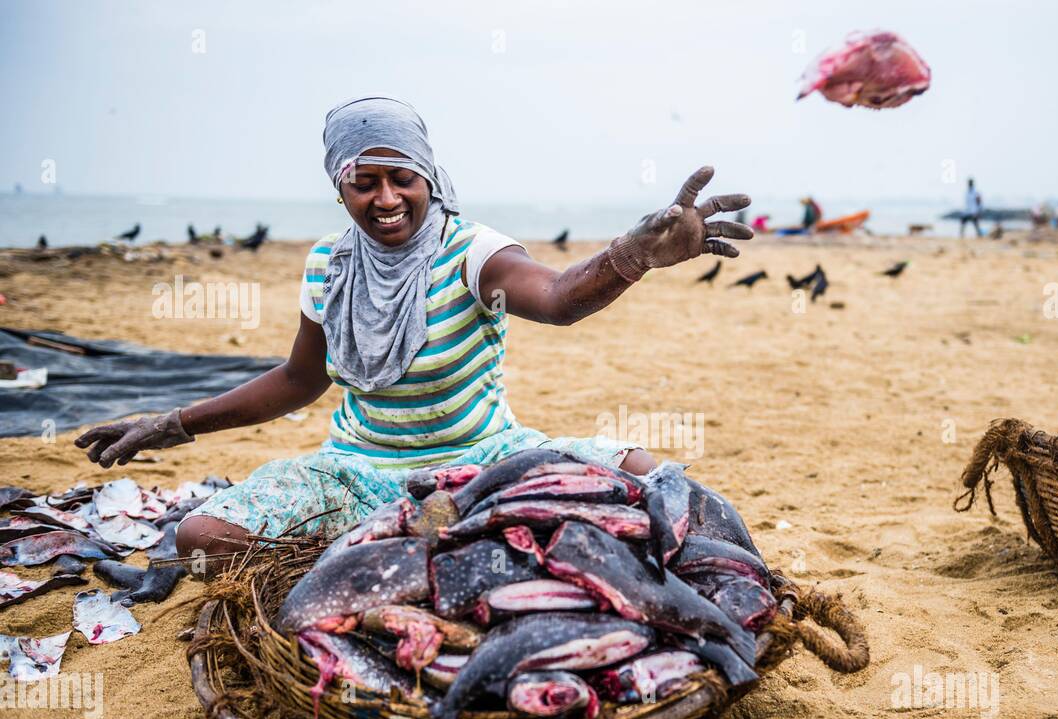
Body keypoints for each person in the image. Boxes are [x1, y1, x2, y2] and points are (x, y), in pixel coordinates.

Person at [74, 96, 753, 560]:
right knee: (200, 535)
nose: (387, 199)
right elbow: (298, 380)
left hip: (487, 465)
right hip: (356, 473)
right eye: (364, 182)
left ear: (428, 175)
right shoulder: (326, 266)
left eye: (402, 178)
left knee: (650, 474)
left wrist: (630, 256)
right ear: (339, 186)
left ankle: (391, 550)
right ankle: (379, 553)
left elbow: (556, 297)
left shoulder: (472, 250)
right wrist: (174, 423)